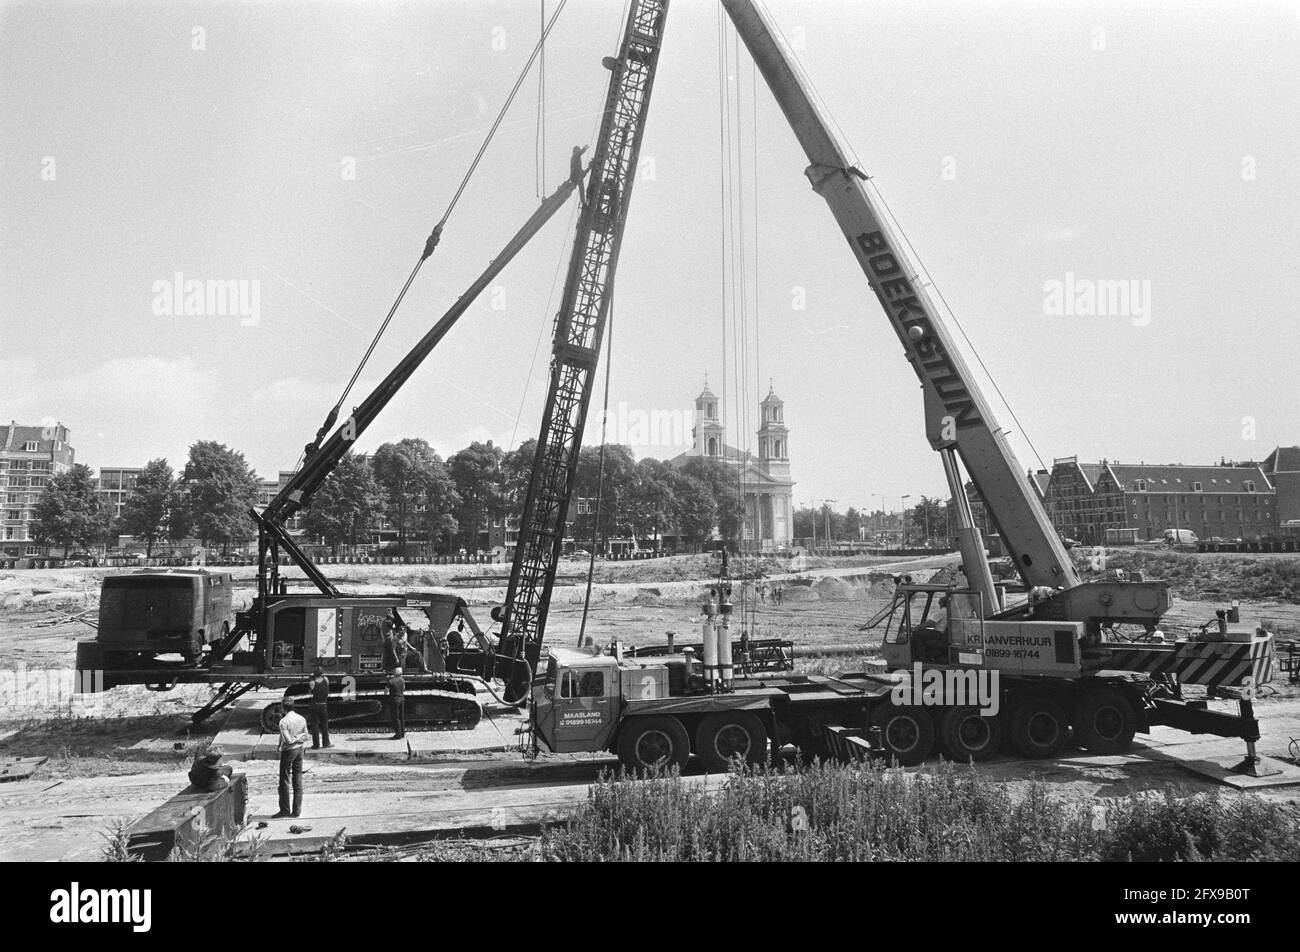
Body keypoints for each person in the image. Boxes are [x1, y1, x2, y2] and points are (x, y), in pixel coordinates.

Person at [274, 700, 309, 818]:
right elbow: (306, 735)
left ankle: (285, 810)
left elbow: (288, 740)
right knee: (297, 779)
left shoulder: (283, 722)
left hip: (289, 751)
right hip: (300, 750)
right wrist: (300, 738)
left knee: (284, 780)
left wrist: (295, 738)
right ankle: (296, 810)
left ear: (283, 708)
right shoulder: (301, 718)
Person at [307, 665, 331, 749]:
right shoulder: (326, 680)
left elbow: (311, 689)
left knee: (315, 725)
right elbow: (324, 679)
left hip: (315, 705)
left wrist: (311, 677)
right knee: (325, 725)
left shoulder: (312, 682)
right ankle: (326, 743)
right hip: (323, 704)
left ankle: (316, 745)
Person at [387, 667, 406, 740]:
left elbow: (386, 691)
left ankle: (398, 735)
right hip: (401, 699)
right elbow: (403, 688)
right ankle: (402, 733)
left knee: (396, 717)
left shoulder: (390, 681)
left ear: (394, 673)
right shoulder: (402, 680)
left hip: (394, 700)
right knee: (401, 716)